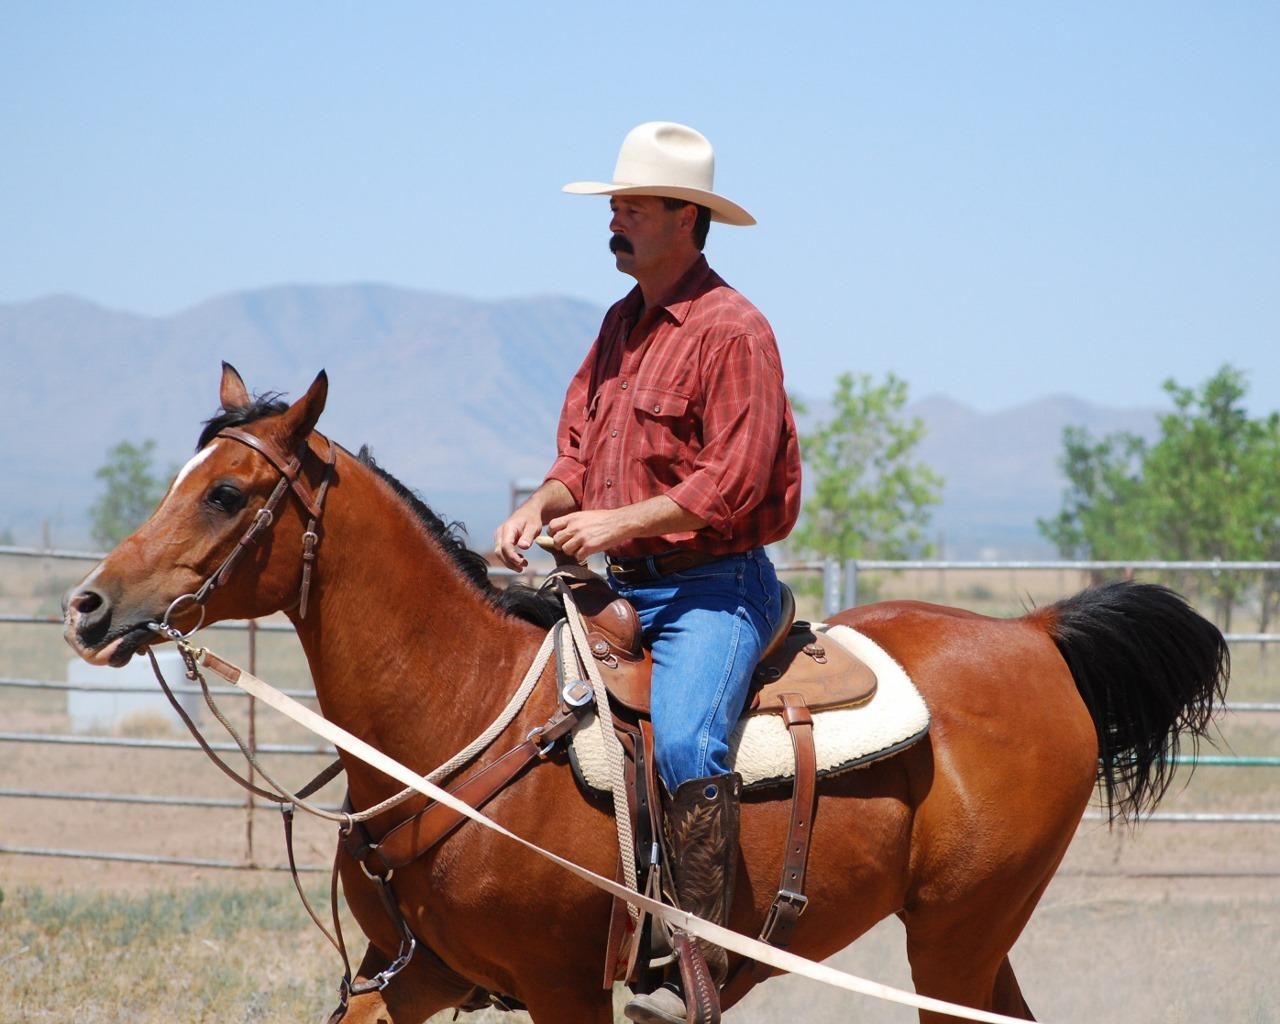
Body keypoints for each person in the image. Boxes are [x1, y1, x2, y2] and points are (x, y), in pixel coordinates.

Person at [494, 121, 801, 1024]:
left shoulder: (735, 331)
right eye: (615, 205)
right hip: (619, 582)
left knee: (683, 745)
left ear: (685, 219)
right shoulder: (617, 326)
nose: (616, 219)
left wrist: (616, 522)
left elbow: (734, 482)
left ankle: (694, 975)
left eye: (632, 206)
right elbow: (579, 452)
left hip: (714, 585)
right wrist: (543, 504)